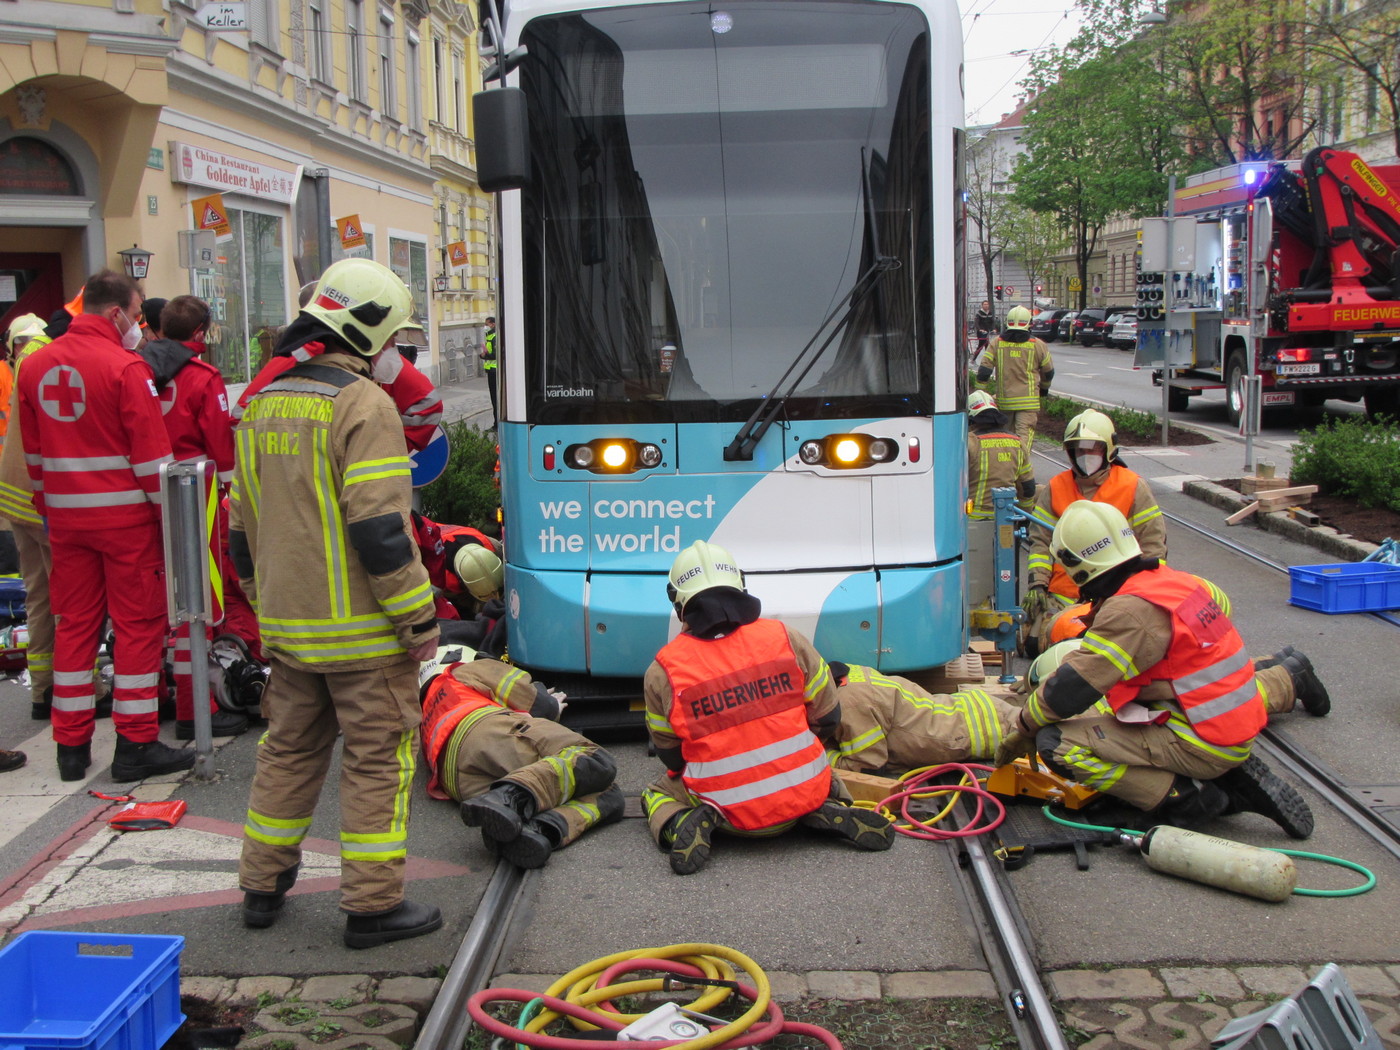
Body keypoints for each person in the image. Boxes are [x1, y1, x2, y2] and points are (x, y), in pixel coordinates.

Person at [231, 258, 443, 949]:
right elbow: (381, 531)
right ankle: (373, 906)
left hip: (290, 633)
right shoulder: (362, 406)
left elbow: (239, 528)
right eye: (393, 344)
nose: (394, 358)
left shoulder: (263, 402)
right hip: (364, 639)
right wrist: (418, 619)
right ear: (370, 332)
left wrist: (265, 602)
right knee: (378, 762)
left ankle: (261, 887)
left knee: (287, 753)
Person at [994, 500, 1329, 838]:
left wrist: (1023, 729)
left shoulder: (1129, 610)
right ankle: (1215, 775)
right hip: (1231, 726)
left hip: (1204, 739)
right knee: (1120, 706)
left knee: (1056, 741)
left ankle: (1182, 800)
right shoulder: (1174, 582)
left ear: (1077, 565)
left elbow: (1071, 690)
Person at [17, 270, 191, 782]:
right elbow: (152, 460)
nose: (138, 324)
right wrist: (170, 524)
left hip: (67, 523)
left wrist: (54, 511)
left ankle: (70, 747)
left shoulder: (34, 366)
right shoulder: (125, 367)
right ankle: (135, 744)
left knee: (75, 625)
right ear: (116, 311)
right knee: (137, 627)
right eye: (137, 315)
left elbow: (33, 456)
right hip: (126, 525)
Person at [640, 540, 894, 875]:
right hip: (804, 791)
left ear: (678, 603)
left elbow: (671, 756)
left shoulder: (663, 670)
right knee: (820, 767)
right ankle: (827, 806)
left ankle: (682, 822)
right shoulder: (785, 637)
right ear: (740, 584)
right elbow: (829, 716)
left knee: (656, 792)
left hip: (728, 813)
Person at [139, 295, 247, 740]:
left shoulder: (138, 367)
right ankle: (193, 708)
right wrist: (232, 490)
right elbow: (221, 447)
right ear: (201, 333)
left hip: (147, 494)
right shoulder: (203, 377)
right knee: (200, 603)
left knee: (158, 603)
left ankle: (159, 696)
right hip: (195, 496)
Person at [419, 646, 622, 868]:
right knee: (594, 761)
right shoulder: (461, 671)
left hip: (461, 785)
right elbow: (537, 703)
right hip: (491, 736)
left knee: (609, 797)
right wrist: (551, 702)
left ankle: (536, 829)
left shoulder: (426, 712)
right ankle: (510, 797)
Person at [1022, 409, 1166, 656]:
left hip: (1116, 594)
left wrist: (1143, 595)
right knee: (1032, 642)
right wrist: (1038, 584)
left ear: (1109, 449)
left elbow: (1153, 544)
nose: (1085, 456)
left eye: (1092, 449)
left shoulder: (1132, 486)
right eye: (1078, 450)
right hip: (1063, 594)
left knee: (1105, 646)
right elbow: (1040, 542)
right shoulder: (1056, 487)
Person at [234, 321, 443, 454]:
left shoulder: (366, 355)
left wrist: (384, 449)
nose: (392, 348)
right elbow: (241, 417)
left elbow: (427, 404)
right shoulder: (306, 352)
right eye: (389, 340)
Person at [829, 661, 1021, 774]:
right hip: (976, 709)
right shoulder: (844, 674)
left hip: (986, 730)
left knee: (1042, 734)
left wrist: (822, 754)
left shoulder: (850, 705)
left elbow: (868, 768)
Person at [975, 304, 1053, 455]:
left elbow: (984, 370)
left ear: (1007, 323)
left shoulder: (997, 343)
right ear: (1029, 324)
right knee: (1023, 439)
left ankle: (1008, 471)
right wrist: (1044, 389)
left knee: (1006, 439)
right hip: (1028, 403)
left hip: (1005, 402)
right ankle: (1022, 473)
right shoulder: (1038, 345)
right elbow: (1048, 372)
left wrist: (980, 392)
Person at [966, 390, 1034, 521]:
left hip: (971, 522)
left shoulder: (969, 443)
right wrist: (1025, 518)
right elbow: (1028, 488)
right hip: (1008, 518)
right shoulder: (1017, 443)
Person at [481, 316, 498, 424]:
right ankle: (496, 422)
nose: (485, 327)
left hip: (494, 371)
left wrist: (485, 355)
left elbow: (495, 355)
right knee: (493, 399)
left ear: (493, 324)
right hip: (491, 371)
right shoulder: (489, 336)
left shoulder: (494, 337)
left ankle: (497, 423)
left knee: (495, 399)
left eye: (487, 324)